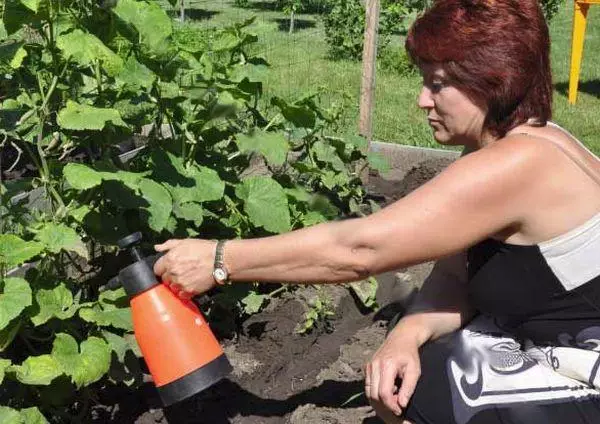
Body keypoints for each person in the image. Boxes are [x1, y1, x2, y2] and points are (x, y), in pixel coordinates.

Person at [153, 0, 600, 422]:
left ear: (492, 78)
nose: (423, 100)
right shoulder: (513, 146)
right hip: (548, 343)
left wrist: (219, 260)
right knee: (411, 367)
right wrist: (406, 335)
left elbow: (359, 250)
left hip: (589, 370)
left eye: (438, 83)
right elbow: (453, 278)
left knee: (437, 389)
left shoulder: (520, 165)